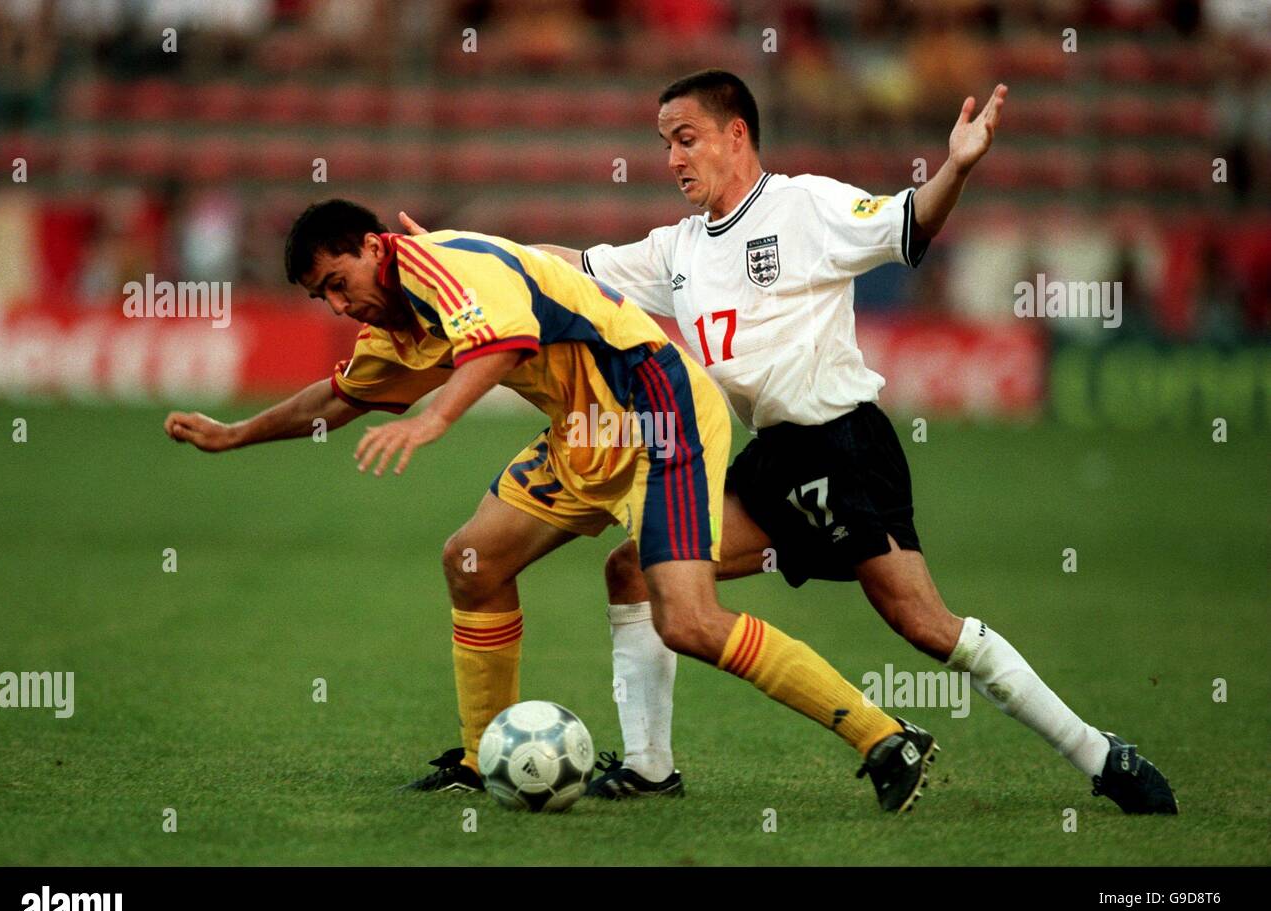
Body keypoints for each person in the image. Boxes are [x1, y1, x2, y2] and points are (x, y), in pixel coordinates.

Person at [399, 69, 1176, 814]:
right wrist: (459, 255)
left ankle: (1102, 757)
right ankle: (647, 769)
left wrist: (957, 169)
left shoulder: (805, 206)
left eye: (686, 137)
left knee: (925, 626)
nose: (672, 157)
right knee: (636, 571)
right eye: (665, 142)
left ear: (737, 135)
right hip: (772, 458)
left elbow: (911, 221)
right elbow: (570, 269)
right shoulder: (680, 248)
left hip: (842, 449)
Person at [164, 199, 939, 813]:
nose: (337, 305)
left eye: (338, 282)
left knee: (688, 620)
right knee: (473, 562)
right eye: (320, 297)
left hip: (653, 411)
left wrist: (435, 417)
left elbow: (503, 343)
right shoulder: (397, 325)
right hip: (581, 432)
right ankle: (479, 760)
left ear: (373, 246)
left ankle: (885, 738)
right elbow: (334, 402)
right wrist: (234, 434)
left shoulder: (445, 265)